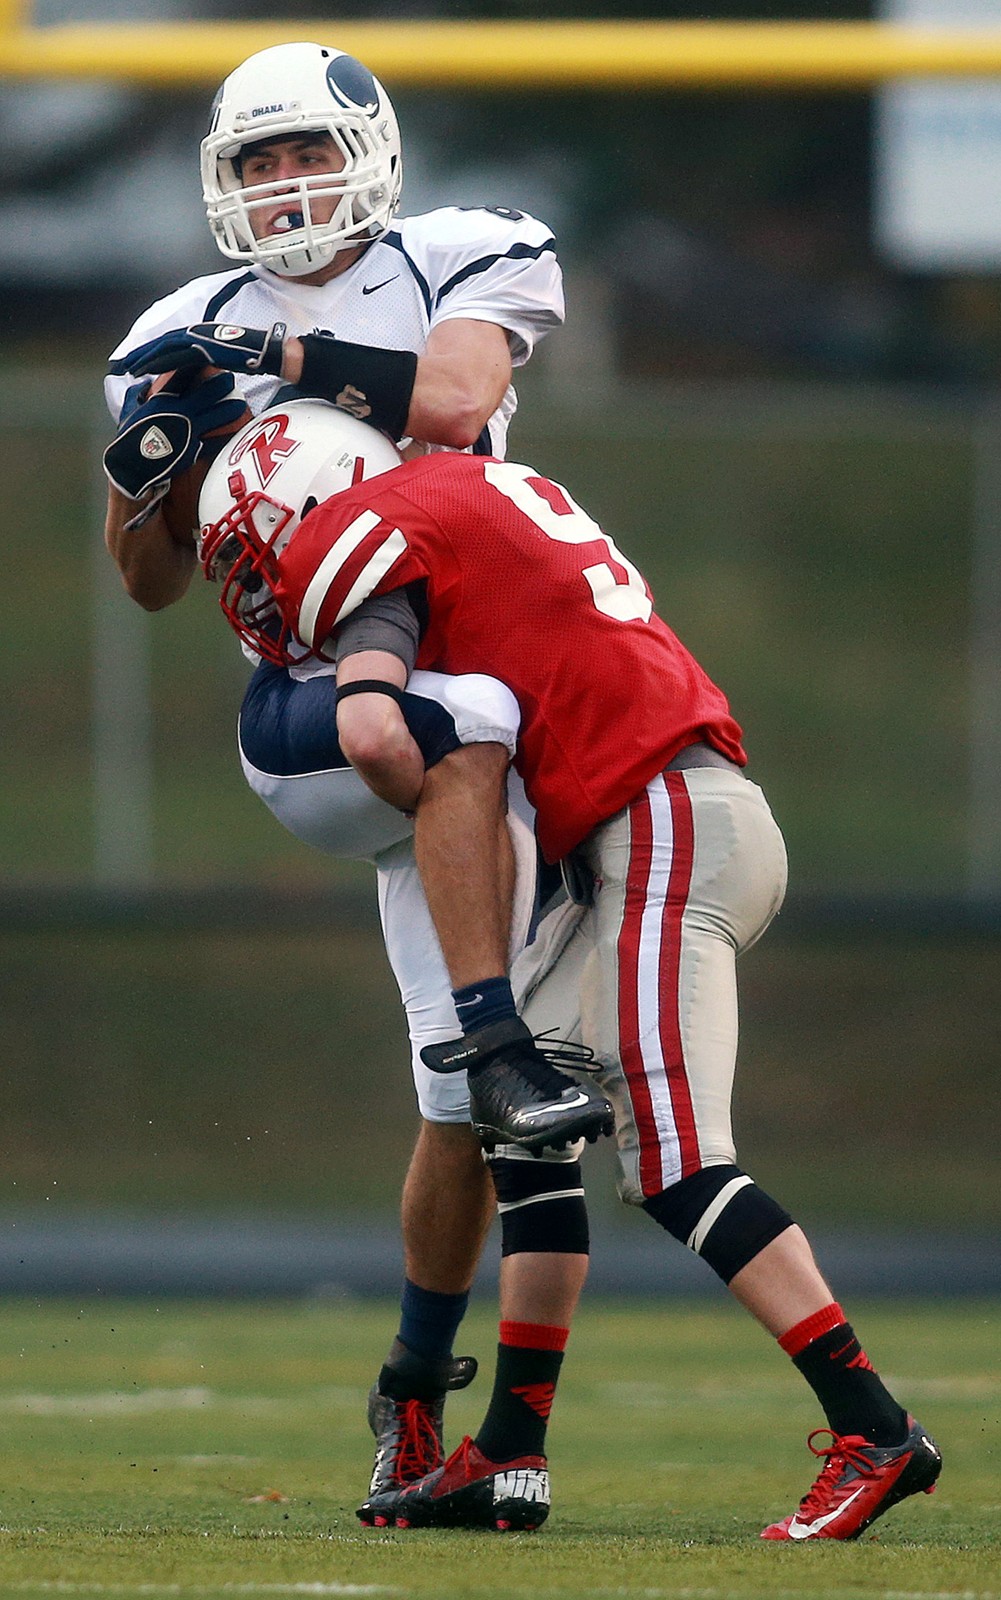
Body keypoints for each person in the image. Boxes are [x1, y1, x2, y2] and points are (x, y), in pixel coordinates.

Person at [196, 400, 944, 1542]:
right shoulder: (479, 491)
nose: (264, 588)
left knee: (674, 1161)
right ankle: (507, 1449)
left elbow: (372, 729)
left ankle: (872, 1427)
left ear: (320, 501)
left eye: (264, 548)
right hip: (645, 821)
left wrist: (405, 765)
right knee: (526, 1128)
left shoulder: (371, 524)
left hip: (662, 822)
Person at [100, 39, 612, 1513]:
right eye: (255, 163)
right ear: (221, 184)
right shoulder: (177, 322)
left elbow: (452, 406)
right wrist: (158, 468)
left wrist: (275, 365)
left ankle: (417, 1392)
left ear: (374, 153)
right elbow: (143, 582)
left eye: (304, 151)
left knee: (458, 1111)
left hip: (494, 684)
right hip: (315, 704)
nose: (283, 185)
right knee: (455, 732)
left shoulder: (466, 252)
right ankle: (497, 1034)